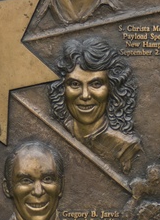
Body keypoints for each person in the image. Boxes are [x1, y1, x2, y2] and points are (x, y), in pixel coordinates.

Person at [47, 36, 141, 173]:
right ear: (62, 89)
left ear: (112, 89)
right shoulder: (53, 134)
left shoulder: (127, 149)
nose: (85, 95)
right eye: (74, 84)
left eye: (96, 84)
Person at [2, 140, 67, 220]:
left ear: (60, 186)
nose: (38, 191)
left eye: (47, 179)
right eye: (26, 180)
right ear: (8, 188)